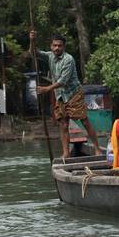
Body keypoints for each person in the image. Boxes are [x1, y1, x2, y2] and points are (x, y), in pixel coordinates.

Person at [30, 30, 98, 160]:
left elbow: (63, 81)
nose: (56, 48)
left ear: (63, 47)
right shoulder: (50, 56)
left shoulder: (69, 59)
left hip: (73, 93)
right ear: (51, 47)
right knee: (63, 124)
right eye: (54, 45)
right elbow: (34, 53)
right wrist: (32, 40)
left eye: (59, 46)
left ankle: (97, 149)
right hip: (60, 95)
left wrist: (46, 89)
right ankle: (66, 153)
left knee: (84, 121)